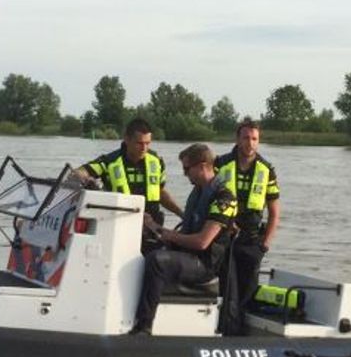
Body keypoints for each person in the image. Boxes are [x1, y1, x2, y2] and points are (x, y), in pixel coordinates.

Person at [130, 143, 237, 335]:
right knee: (145, 249)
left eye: (187, 169)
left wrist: (169, 235)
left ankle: (144, 327)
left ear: (203, 165)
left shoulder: (224, 198)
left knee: (157, 261)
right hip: (188, 256)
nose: (185, 174)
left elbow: (202, 242)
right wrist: (155, 228)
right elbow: (184, 235)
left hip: (204, 264)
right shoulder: (197, 193)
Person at [72, 118, 182, 251]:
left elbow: (160, 192)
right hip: (119, 225)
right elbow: (78, 173)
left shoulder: (157, 161)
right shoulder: (109, 161)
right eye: (139, 143)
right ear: (127, 139)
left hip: (152, 227)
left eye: (148, 143)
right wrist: (86, 179)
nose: (144, 148)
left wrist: (181, 214)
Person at [214, 118, 281, 310]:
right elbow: (208, 199)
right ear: (237, 139)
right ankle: (223, 329)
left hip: (252, 241)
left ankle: (241, 332)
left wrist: (264, 245)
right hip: (224, 236)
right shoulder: (220, 164)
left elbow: (275, 212)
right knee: (224, 288)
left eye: (254, 138)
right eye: (246, 138)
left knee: (247, 292)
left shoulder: (266, 170)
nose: (250, 143)